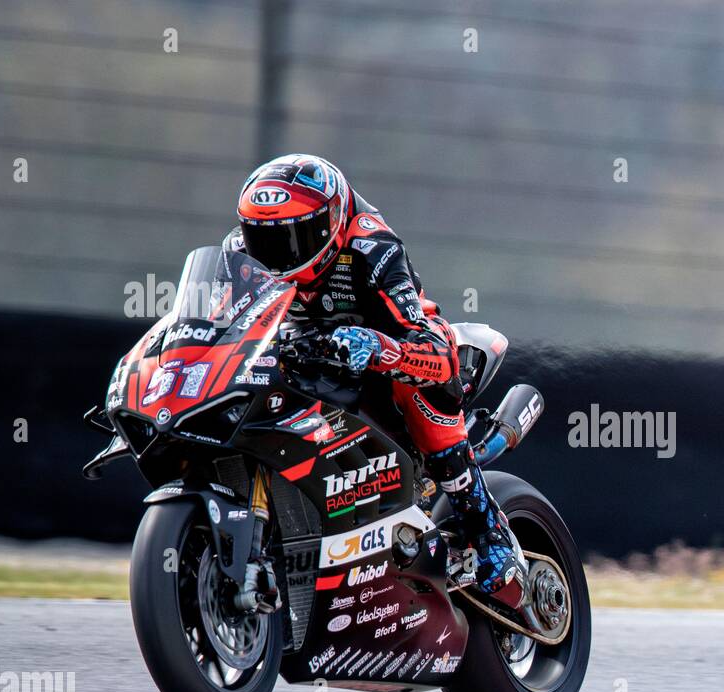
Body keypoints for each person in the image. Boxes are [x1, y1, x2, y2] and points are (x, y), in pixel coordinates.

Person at [225, 153, 525, 608]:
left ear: (329, 223)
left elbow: (434, 352)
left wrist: (379, 347)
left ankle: (485, 527)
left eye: (292, 236)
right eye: (263, 236)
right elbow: (215, 326)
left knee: (423, 383)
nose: (275, 252)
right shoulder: (239, 253)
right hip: (299, 356)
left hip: (384, 352)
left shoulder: (371, 246)